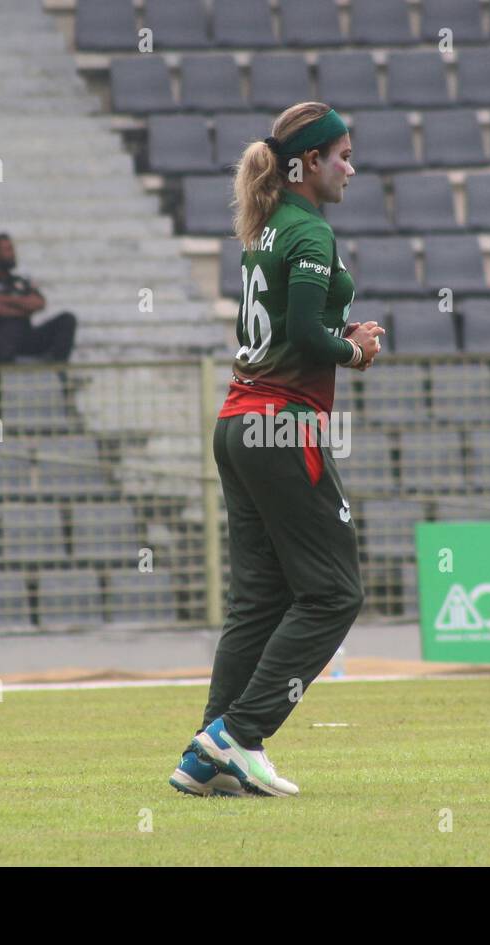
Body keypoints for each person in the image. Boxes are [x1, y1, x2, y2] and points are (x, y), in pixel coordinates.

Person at [169, 102, 385, 798]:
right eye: (343, 155)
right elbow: (301, 333)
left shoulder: (265, 230)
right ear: (309, 164)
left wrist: (335, 331)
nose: (351, 167)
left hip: (239, 420)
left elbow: (284, 328)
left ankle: (205, 755)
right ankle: (242, 733)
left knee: (260, 598)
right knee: (334, 592)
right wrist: (352, 348)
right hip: (282, 425)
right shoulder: (311, 234)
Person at [0, 234, 76, 363]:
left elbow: (39, 303)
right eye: (7, 250)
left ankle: (56, 366)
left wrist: (3, 299)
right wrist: (22, 309)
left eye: (12, 249)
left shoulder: (20, 281)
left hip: (24, 337)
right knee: (9, 332)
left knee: (67, 319)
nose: (12, 253)